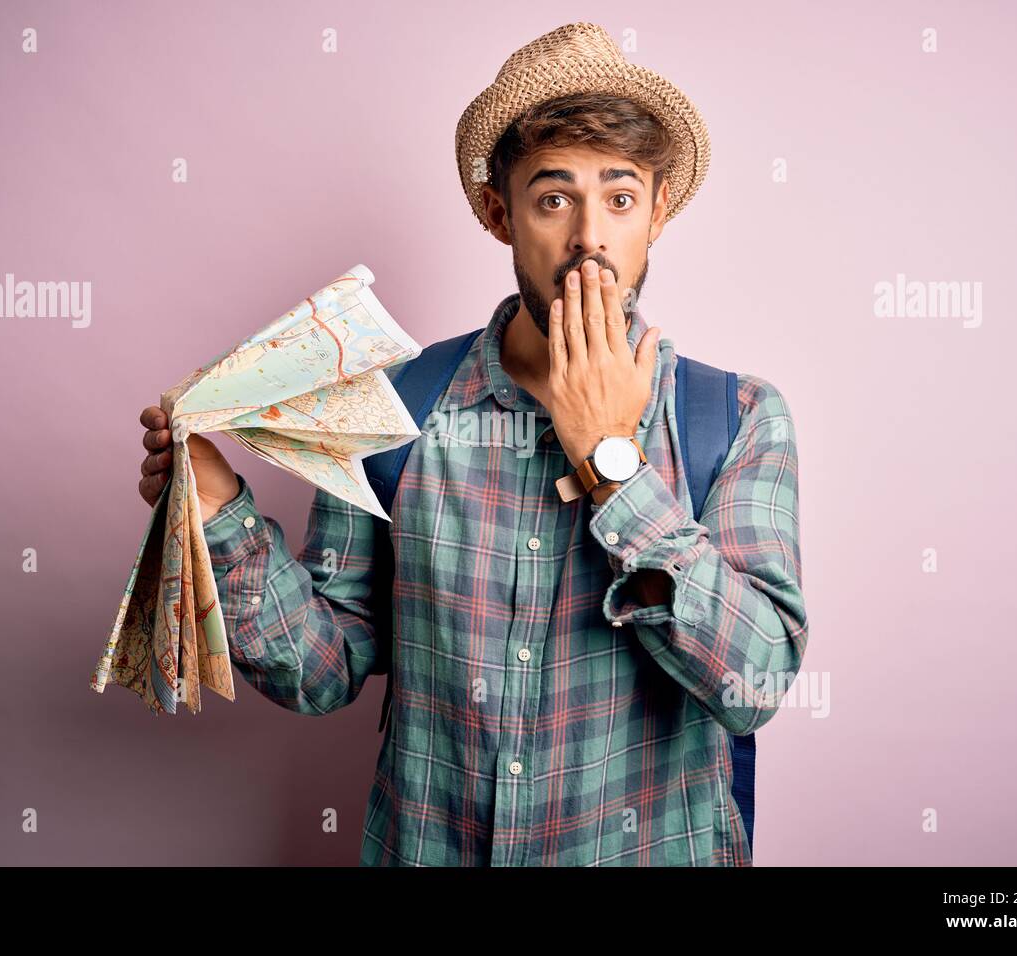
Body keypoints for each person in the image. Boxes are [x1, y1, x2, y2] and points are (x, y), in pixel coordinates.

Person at [136, 22, 808, 866]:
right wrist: (222, 513)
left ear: (657, 213)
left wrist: (612, 463)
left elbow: (757, 681)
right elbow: (322, 671)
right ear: (500, 212)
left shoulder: (738, 417)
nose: (590, 238)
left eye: (621, 198)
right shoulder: (394, 407)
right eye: (554, 198)